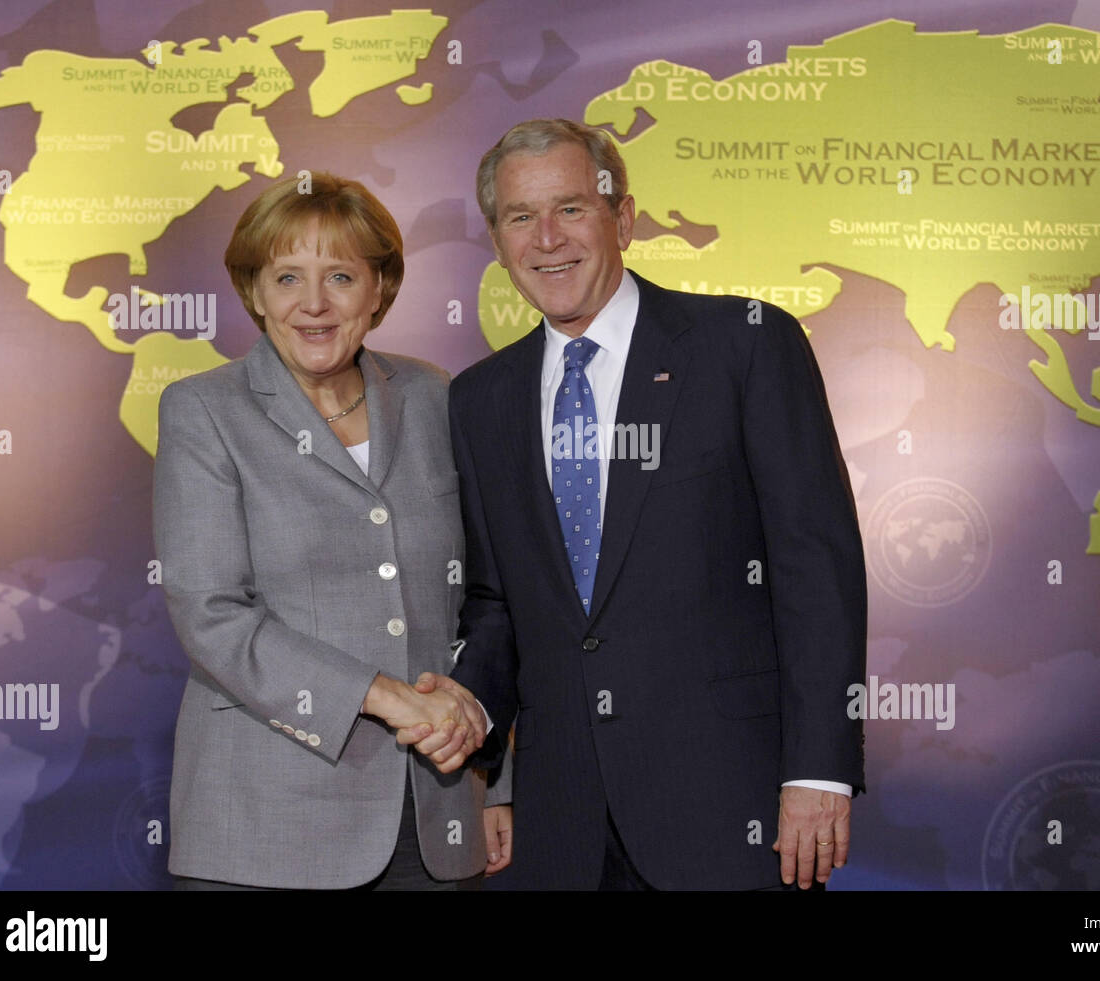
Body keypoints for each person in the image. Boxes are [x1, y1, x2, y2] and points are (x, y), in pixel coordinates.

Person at [423, 118, 867, 890]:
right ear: (498, 241)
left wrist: (820, 772)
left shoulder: (746, 344)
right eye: (521, 217)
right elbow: (496, 604)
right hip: (560, 826)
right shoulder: (480, 400)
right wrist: (473, 725)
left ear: (622, 218)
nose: (547, 238)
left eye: (571, 207)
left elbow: (814, 567)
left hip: (732, 807)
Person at [153, 171, 507, 890]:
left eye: (341, 275)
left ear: (380, 290)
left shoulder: (436, 395)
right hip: (264, 828)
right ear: (254, 292)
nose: (313, 304)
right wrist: (386, 694)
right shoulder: (204, 411)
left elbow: (491, 593)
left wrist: (495, 781)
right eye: (287, 277)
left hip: (435, 817)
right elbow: (212, 614)